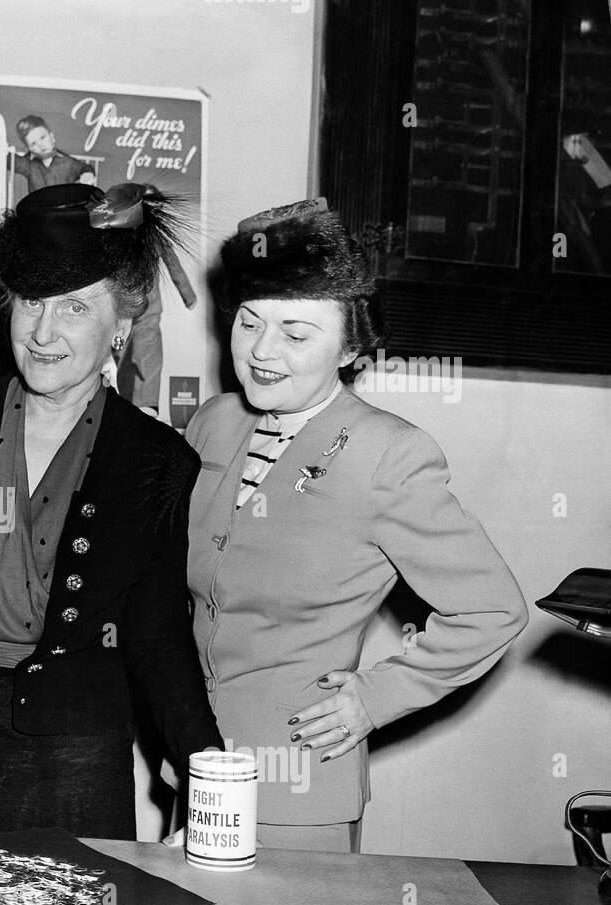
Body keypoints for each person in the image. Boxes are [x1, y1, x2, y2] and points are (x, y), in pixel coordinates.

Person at [186, 198, 528, 852]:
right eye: (249, 322)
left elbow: (493, 609)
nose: (261, 350)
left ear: (349, 347)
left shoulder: (387, 454)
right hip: (199, 766)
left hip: (298, 787)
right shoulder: (214, 422)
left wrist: (375, 697)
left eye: (296, 334)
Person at [0, 182, 222, 840]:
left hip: (77, 755)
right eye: (31, 302)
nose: (43, 332)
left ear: (121, 323)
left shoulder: (157, 463)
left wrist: (204, 767)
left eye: (74, 307)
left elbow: (156, 638)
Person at [13, 115, 96, 191]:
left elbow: (85, 167)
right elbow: (12, 161)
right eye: (33, 143)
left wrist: (87, 173)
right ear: (29, 148)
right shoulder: (28, 164)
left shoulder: (68, 162)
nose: (41, 145)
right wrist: (5, 150)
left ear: (52, 137)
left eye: (42, 137)